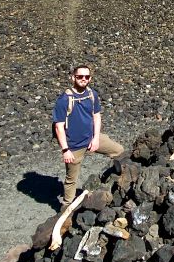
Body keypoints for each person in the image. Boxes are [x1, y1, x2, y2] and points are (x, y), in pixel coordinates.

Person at [53, 63, 124, 209]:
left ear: (90, 78)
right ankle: (66, 209)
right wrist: (65, 150)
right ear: (73, 78)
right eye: (80, 76)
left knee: (119, 151)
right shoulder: (64, 99)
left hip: (91, 138)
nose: (83, 79)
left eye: (86, 76)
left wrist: (96, 138)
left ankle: (114, 180)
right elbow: (58, 127)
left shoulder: (92, 94)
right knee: (71, 180)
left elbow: (96, 116)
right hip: (73, 146)